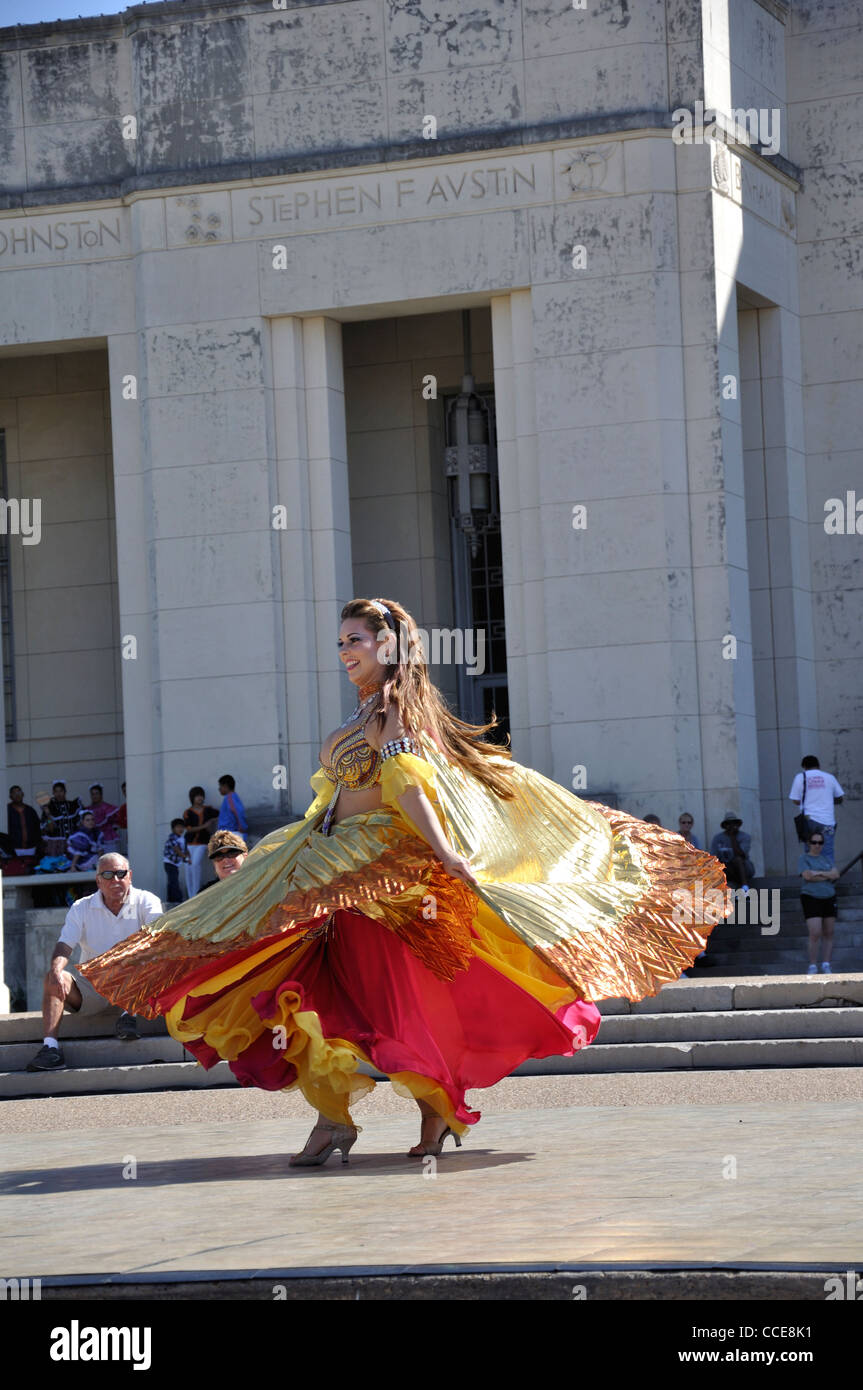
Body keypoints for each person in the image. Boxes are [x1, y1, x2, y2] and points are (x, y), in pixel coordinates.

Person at [82, 597, 727, 1166]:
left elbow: (408, 788)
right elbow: (336, 794)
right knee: (293, 986)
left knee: (381, 996)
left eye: (354, 641)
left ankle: (426, 1105)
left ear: (385, 646)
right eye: (339, 641)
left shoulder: (393, 712)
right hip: (324, 862)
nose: (343, 652)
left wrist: (447, 855)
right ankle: (339, 1117)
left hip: (373, 876)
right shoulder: (367, 709)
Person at [25, 853, 163, 1071]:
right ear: (98, 880)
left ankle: (129, 1016)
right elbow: (65, 945)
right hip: (94, 987)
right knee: (54, 978)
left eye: (121, 874)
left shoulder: (148, 901)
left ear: (130, 876)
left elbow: (156, 942)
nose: (115, 880)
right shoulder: (81, 907)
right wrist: (56, 970)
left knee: (155, 954)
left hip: (136, 984)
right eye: (108, 875)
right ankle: (51, 1049)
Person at [789, 756, 844, 866]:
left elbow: (795, 800)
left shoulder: (801, 777)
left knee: (810, 852)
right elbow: (840, 798)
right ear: (818, 766)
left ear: (804, 766)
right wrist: (826, 800)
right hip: (827, 821)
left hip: (809, 820)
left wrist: (808, 801)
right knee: (827, 853)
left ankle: (812, 879)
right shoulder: (830, 777)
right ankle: (828, 880)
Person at [799, 830, 839, 974]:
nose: (817, 845)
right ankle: (813, 964)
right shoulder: (804, 858)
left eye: (820, 842)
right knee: (815, 932)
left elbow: (836, 874)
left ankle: (826, 963)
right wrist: (826, 875)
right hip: (811, 896)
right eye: (814, 842)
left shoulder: (827, 859)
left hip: (829, 896)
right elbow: (807, 876)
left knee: (829, 932)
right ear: (809, 843)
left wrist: (817, 873)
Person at [182, 787, 219, 896]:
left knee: (195, 864)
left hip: (202, 843)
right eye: (197, 795)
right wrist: (204, 826)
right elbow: (188, 829)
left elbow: (221, 815)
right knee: (188, 869)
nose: (199, 798)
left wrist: (212, 821)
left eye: (201, 795)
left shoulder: (208, 809)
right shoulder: (187, 812)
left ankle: (196, 894)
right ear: (192, 798)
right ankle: (190, 896)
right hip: (188, 844)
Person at [710, 812, 755, 892]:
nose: (731, 826)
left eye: (734, 824)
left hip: (744, 867)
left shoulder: (745, 837)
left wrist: (732, 837)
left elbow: (740, 854)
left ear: (738, 825)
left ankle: (745, 887)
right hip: (726, 867)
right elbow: (714, 857)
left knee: (737, 860)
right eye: (728, 824)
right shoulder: (718, 838)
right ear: (724, 826)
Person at [40, 780, 83, 855]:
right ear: (53, 793)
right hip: (56, 844)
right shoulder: (49, 807)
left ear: (65, 791)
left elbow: (80, 825)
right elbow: (51, 829)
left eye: (61, 791)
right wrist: (48, 814)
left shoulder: (73, 805)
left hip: (73, 843)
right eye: (56, 791)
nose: (58, 794)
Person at [7, 785, 43, 865]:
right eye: (14, 793)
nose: (17, 795)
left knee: (31, 872)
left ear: (23, 794)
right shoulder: (7, 810)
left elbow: (38, 828)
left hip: (31, 848)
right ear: (10, 796)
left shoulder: (30, 810)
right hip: (14, 849)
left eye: (19, 792)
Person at [163, 818, 191, 903]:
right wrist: (185, 858)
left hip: (175, 863)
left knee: (172, 880)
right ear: (173, 829)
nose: (180, 829)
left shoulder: (182, 839)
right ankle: (177, 899)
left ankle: (171, 899)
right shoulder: (172, 838)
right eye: (178, 827)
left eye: (182, 827)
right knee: (173, 881)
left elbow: (185, 849)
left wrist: (188, 857)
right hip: (169, 862)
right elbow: (177, 850)